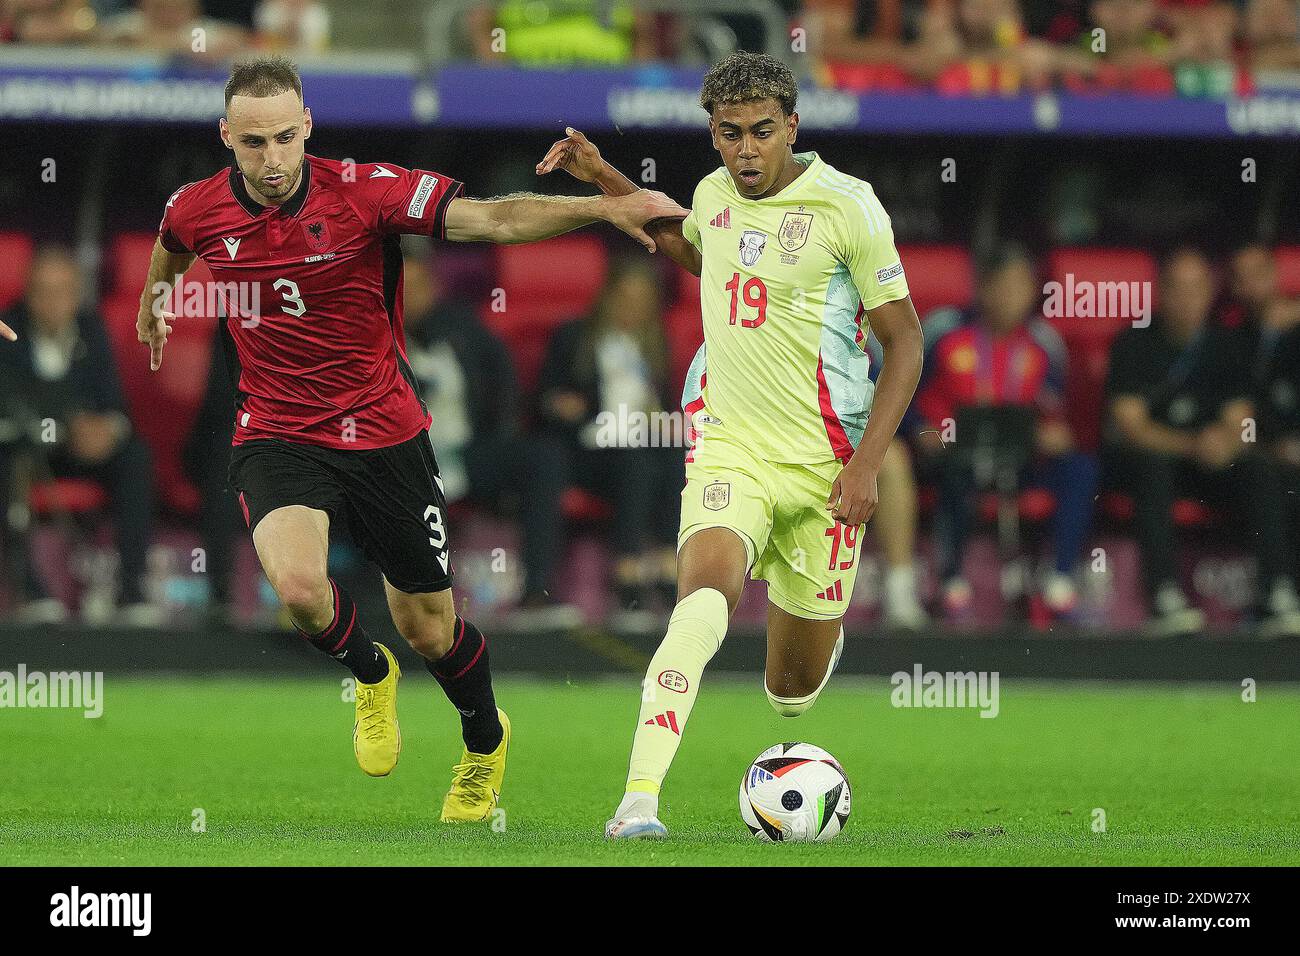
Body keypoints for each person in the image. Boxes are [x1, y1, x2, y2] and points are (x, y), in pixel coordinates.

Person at [135, 56, 685, 823]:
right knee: (297, 588)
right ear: (226, 136)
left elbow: (495, 218)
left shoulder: (365, 192)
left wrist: (603, 207)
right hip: (278, 427)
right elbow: (171, 240)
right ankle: (368, 672)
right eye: (253, 142)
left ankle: (484, 739)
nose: (269, 159)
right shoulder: (199, 207)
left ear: (308, 130)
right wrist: (156, 300)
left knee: (428, 624)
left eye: (284, 139)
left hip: (384, 430)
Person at [537, 51, 925, 839]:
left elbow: (907, 343)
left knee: (791, 693)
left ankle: (815, 629)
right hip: (730, 446)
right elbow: (688, 247)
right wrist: (602, 173)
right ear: (712, 135)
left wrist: (865, 465)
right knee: (700, 609)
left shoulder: (850, 208)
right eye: (728, 135)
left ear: (791, 127)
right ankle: (638, 803)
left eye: (760, 133)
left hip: (825, 466)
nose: (745, 151)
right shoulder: (714, 194)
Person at [1104, 248, 1300, 638]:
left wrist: (1225, 441)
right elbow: (1131, 425)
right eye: (1178, 289)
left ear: (1210, 292)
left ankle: (1276, 592)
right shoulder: (1134, 342)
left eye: (1197, 289)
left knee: (1261, 469)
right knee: (1152, 467)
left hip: (1208, 463)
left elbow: (1241, 417)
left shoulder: (1226, 345)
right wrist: (1191, 444)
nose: (1187, 299)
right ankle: (1163, 596)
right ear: (1160, 292)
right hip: (1154, 462)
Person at [914, 242, 1097, 622]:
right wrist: (922, 431)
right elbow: (908, 398)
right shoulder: (945, 331)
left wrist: (1054, 433)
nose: (1011, 296)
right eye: (1002, 285)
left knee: (1080, 467)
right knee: (956, 467)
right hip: (954, 449)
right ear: (983, 288)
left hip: (1021, 454)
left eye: (1021, 287)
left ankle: (1060, 580)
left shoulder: (1044, 344)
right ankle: (951, 582)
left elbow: (1053, 411)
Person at [400, 243, 577, 625]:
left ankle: (536, 592)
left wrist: (502, 434)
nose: (411, 297)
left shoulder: (463, 328)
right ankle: (368, 599)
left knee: (542, 456)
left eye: (419, 286)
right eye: (402, 287)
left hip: (465, 451)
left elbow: (502, 385)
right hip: (399, 458)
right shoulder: (368, 334)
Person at [0, 246, 160, 625]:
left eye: (63, 291)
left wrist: (107, 428)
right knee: (7, 464)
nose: (53, 302)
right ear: (28, 293)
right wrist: (65, 424)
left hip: (80, 450)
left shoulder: (91, 329)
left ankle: (131, 591)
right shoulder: (8, 328)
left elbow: (115, 404)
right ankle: (31, 590)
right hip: (25, 446)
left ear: (76, 295)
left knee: (134, 457)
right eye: (43, 291)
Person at [537, 255, 684, 619]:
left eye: (642, 301)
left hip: (641, 442)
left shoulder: (653, 345)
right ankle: (628, 575)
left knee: (675, 453)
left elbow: (664, 405)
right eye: (625, 298)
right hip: (589, 449)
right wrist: (562, 404)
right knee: (637, 459)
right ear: (608, 297)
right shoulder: (573, 337)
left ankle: (669, 565)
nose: (633, 308)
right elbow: (545, 399)